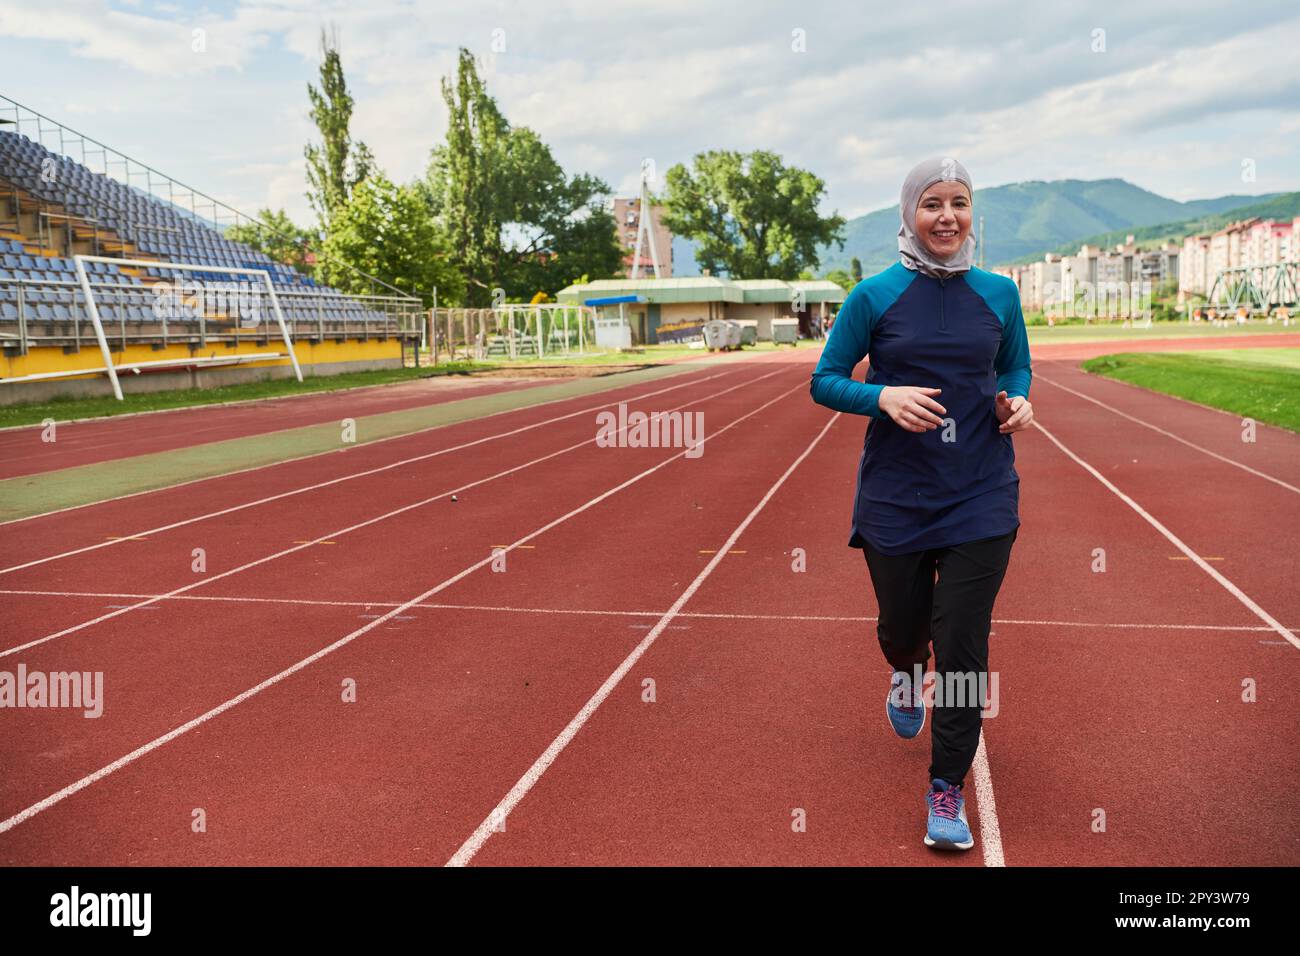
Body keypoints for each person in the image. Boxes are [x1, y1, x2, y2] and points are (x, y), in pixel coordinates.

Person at [809, 157, 1034, 852]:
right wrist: (882, 396)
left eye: (959, 203)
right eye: (932, 203)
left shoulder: (999, 292)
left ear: (972, 214)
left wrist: (1017, 399)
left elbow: (1017, 365)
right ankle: (907, 673)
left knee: (964, 647)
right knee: (904, 631)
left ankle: (946, 787)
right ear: (909, 213)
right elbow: (824, 381)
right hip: (898, 497)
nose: (946, 216)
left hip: (981, 493)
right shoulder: (872, 297)